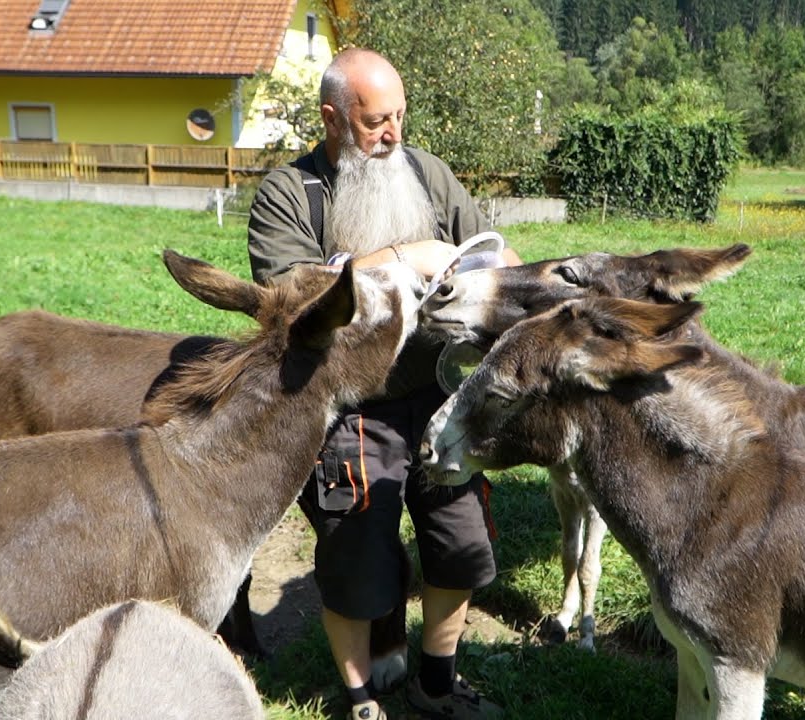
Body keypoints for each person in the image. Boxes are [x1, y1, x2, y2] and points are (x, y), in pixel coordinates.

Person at [247, 48, 519, 720]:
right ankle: (360, 697)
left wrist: (504, 263)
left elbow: (491, 250)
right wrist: (403, 258)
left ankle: (435, 683)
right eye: (375, 123)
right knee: (354, 557)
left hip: (440, 396)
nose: (392, 133)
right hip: (349, 410)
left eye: (399, 115)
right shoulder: (290, 193)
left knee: (460, 544)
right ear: (333, 119)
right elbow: (290, 300)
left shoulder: (425, 172)